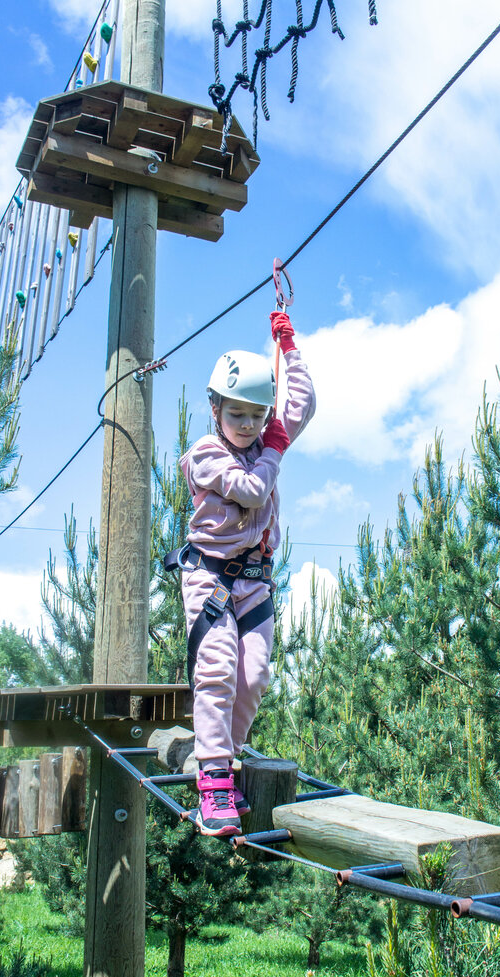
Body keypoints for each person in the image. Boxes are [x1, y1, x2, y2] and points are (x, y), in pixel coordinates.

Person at [176, 311, 315, 836]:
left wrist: (289, 346)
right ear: (215, 409)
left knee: (253, 676)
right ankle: (212, 777)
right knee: (217, 670)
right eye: (237, 414)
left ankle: (225, 761)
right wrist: (275, 447)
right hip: (210, 578)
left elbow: (302, 404)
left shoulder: (262, 442)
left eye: (258, 416)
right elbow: (254, 491)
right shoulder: (206, 455)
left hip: (255, 580)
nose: (249, 426)